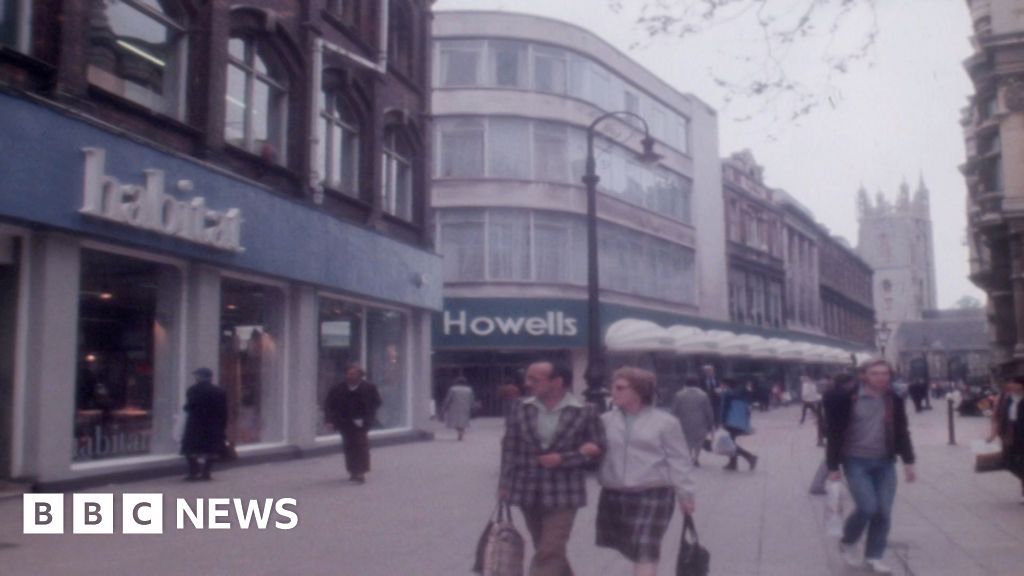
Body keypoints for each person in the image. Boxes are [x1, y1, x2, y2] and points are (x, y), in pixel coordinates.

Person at [499, 360, 606, 576]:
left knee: (550, 549)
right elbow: (510, 447)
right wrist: (504, 484)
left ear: (557, 382)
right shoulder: (521, 408)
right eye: (527, 377)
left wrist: (565, 458)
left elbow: (599, 447)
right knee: (546, 548)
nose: (527, 383)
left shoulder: (585, 411)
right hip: (527, 488)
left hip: (564, 491)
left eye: (534, 379)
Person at [597, 367, 696, 576]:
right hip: (615, 493)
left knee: (645, 549)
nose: (613, 392)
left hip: (653, 492)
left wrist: (685, 494)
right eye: (613, 387)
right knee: (630, 548)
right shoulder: (605, 421)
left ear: (639, 391)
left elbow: (679, 460)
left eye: (620, 388)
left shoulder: (665, 422)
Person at [824, 358, 916, 575]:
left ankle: (874, 556)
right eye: (875, 373)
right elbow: (834, 433)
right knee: (867, 507)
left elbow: (902, 431)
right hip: (855, 460)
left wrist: (909, 461)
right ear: (864, 375)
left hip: (885, 460)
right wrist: (832, 466)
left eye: (885, 373)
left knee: (883, 511)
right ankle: (848, 541)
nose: (881, 378)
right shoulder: (846, 399)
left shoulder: (893, 398)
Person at [325, 363, 382, 484]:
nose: (351, 376)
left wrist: (369, 415)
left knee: (361, 445)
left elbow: (377, 402)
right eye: (349, 374)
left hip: (362, 421)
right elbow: (329, 405)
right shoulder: (338, 389)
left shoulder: (369, 387)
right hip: (344, 421)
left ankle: (361, 471)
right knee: (349, 446)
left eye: (354, 374)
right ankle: (352, 470)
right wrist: (329, 420)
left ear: (360, 375)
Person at [180, 367, 228, 482]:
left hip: (196, 423)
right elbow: (224, 410)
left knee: (190, 449)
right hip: (213, 424)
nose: (195, 378)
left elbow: (189, 406)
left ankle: (193, 471)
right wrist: (223, 425)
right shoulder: (219, 391)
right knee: (211, 449)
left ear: (200, 377)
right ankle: (206, 472)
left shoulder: (193, 390)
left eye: (197, 375)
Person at [986, 376, 1024, 502]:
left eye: (1014, 383)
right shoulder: (1004, 398)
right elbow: (997, 416)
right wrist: (992, 434)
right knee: (1010, 462)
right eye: (1010, 383)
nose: (1010, 386)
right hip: (1010, 433)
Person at [671, 378, 715, 467]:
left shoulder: (679, 395)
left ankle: (688, 456)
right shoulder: (703, 395)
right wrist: (711, 423)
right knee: (698, 441)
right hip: (700, 421)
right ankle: (696, 458)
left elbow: (674, 410)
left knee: (687, 440)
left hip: (684, 421)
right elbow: (708, 410)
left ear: (685, 384)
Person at [720, 378, 758, 471]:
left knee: (730, 443)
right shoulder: (743, 394)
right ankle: (733, 463)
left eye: (722, 385)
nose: (721, 387)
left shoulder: (727, 394)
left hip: (730, 421)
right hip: (740, 421)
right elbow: (748, 409)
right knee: (731, 441)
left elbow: (724, 409)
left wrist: (721, 421)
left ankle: (750, 457)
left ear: (726, 385)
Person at [441, 376, 474, 441]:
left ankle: (460, 432)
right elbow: (471, 399)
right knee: (463, 422)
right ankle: (461, 432)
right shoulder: (469, 390)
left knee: (455, 422)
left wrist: (444, 407)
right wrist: (472, 406)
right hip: (465, 407)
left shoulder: (453, 389)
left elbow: (448, 399)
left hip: (454, 408)